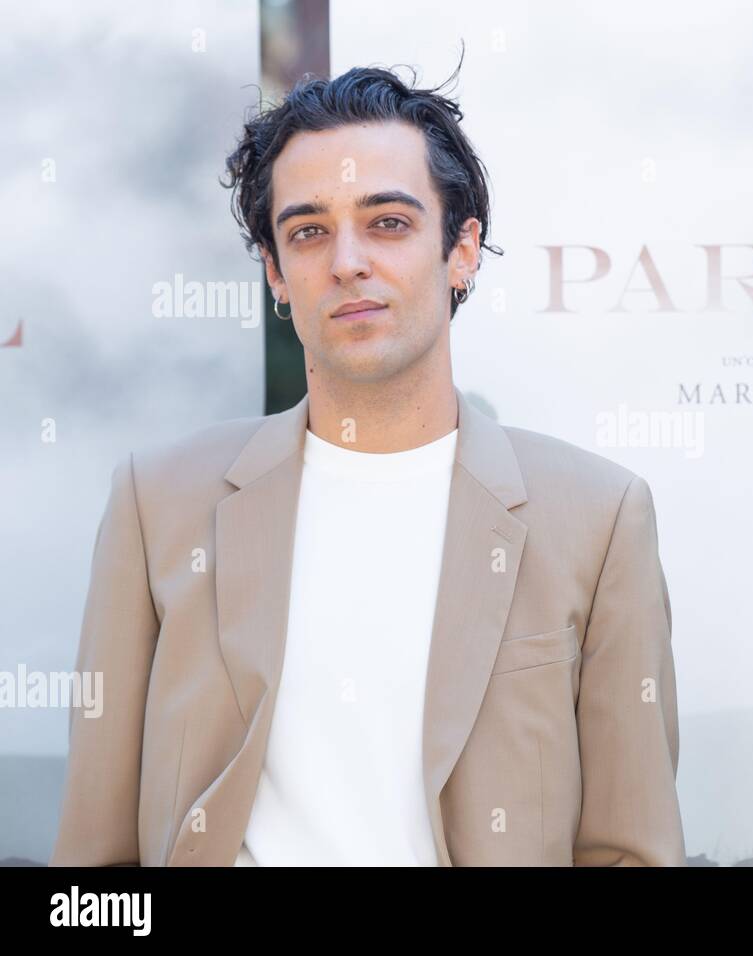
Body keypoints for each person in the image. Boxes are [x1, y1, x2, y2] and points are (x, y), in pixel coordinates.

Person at [49, 63, 686, 867]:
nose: (346, 261)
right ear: (276, 273)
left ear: (462, 249)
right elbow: (92, 872)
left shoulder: (598, 518)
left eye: (387, 222)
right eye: (309, 230)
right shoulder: (158, 503)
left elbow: (630, 850)